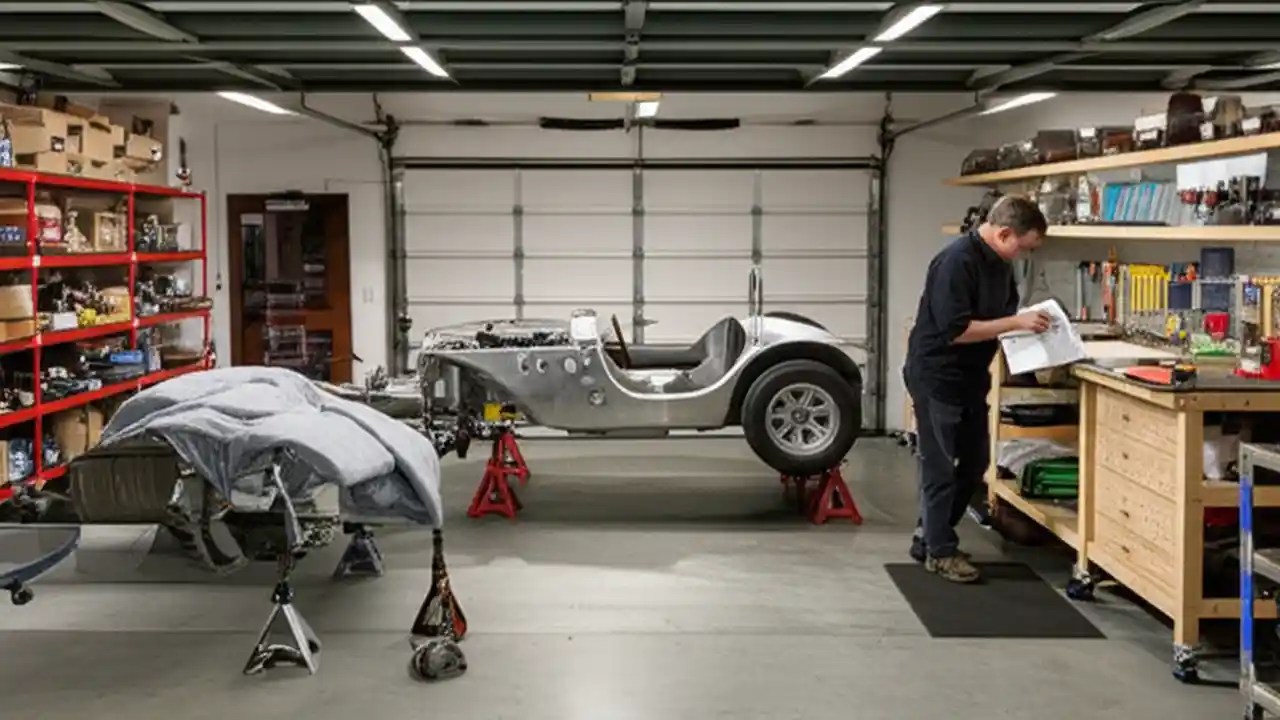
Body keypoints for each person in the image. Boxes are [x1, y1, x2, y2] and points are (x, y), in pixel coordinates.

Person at [903, 195, 1050, 583]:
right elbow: (956, 330)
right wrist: (1015, 324)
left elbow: (1002, 317)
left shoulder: (1000, 265)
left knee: (974, 463)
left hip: (970, 377)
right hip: (937, 375)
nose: (1023, 255)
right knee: (939, 467)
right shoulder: (956, 263)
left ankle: (929, 535)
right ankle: (940, 551)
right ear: (1003, 234)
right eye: (1023, 247)